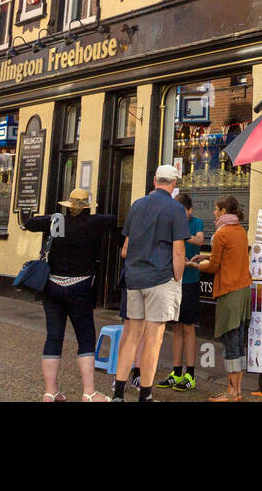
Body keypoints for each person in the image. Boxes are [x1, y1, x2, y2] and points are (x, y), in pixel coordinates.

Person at [19, 189, 118, 402]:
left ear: (68, 205)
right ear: (87, 206)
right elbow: (113, 219)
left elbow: (30, 223)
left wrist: (50, 217)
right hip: (80, 287)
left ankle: (50, 391)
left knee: (54, 337)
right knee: (85, 338)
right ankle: (89, 393)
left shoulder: (58, 221)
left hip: (53, 286)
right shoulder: (94, 222)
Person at [114, 165, 190, 402]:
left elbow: (125, 250)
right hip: (160, 278)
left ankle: (117, 393)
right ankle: (145, 395)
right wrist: (177, 279)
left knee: (131, 336)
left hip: (134, 278)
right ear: (174, 184)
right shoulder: (176, 209)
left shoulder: (136, 206)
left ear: (155, 180)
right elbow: (179, 253)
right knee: (154, 339)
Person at [192, 195, 251, 402]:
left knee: (230, 341)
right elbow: (229, 257)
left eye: (217, 210)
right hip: (244, 289)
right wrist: (205, 257)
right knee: (239, 339)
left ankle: (231, 393)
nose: (214, 213)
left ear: (224, 211)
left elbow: (215, 266)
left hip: (229, 291)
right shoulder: (241, 230)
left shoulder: (221, 234)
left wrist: (197, 265)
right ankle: (238, 391)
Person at [156, 193, 204, 392]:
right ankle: (176, 371)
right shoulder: (170, 222)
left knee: (188, 326)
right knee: (175, 326)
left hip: (190, 280)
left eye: (181, 211)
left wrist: (184, 236)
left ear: (189, 210)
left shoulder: (197, 222)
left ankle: (190, 374)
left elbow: (200, 240)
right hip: (172, 279)